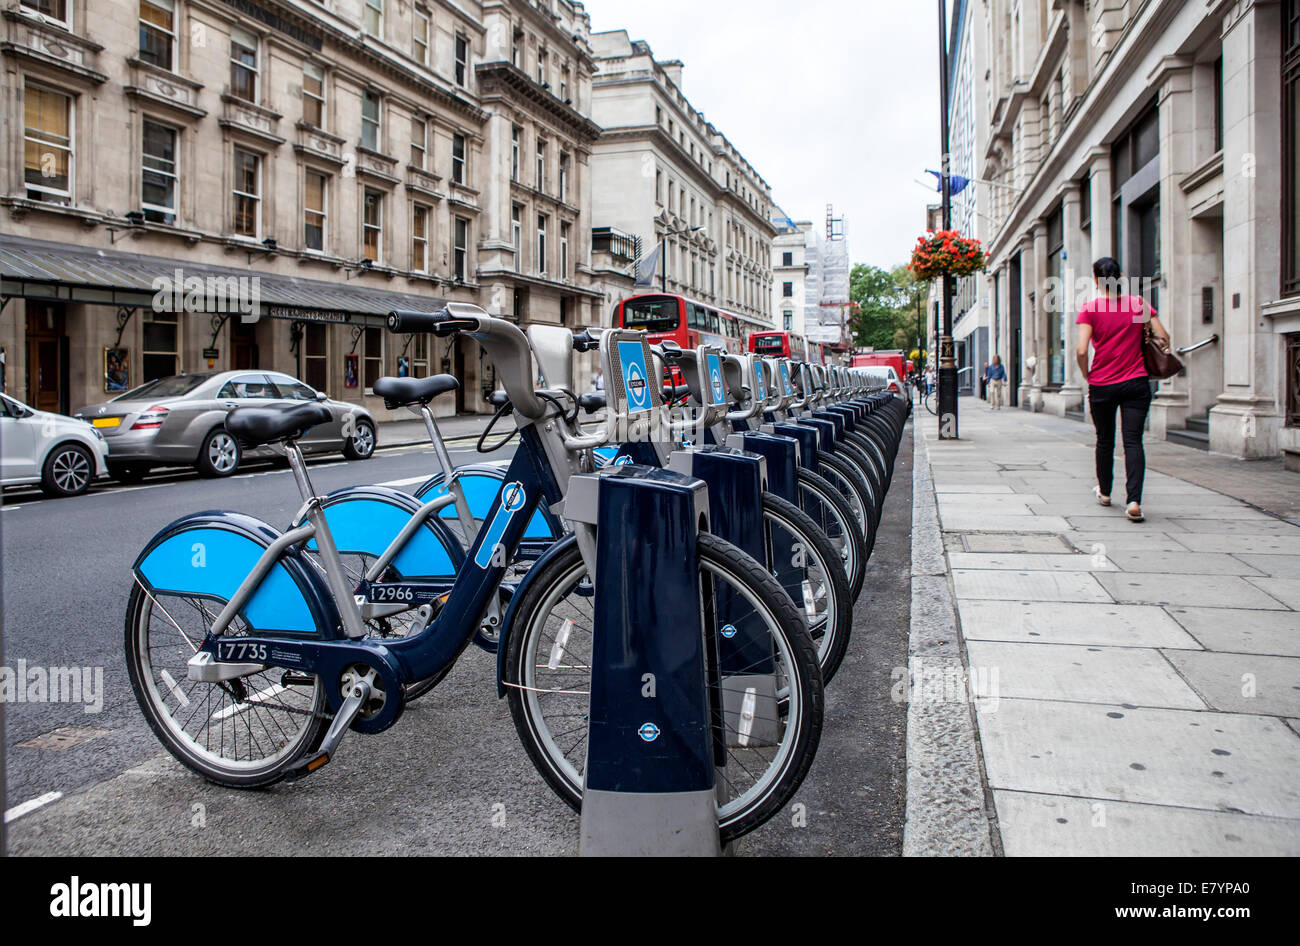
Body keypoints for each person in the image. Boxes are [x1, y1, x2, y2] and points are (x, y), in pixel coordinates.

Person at [1076, 256, 1171, 524]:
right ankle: (1134, 501)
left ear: (1096, 279)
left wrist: (1087, 374)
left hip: (1102, 384)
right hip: (1136, 383)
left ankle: (1105, 493)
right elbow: (1164, 338)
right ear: (1119, 277)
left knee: (1105, 440)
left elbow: (1082, 350)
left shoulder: (1091, 309)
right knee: (1133, 441)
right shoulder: (1137, 304)